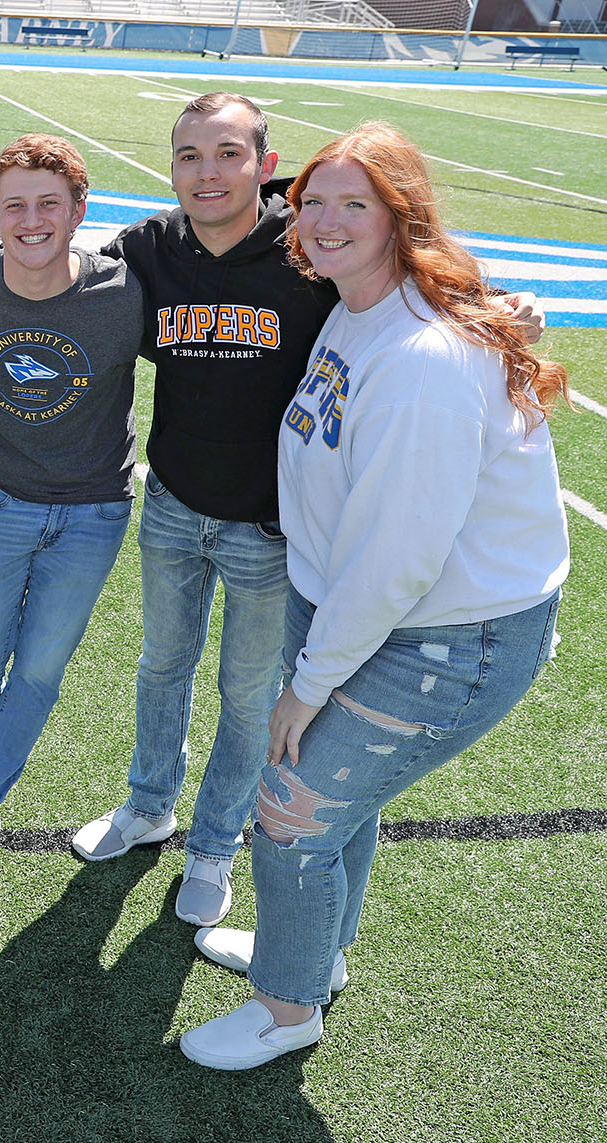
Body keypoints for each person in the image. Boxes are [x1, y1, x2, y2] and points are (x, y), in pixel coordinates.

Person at [179, 122, 568, 1070]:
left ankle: (286, 1008)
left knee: (294, 806)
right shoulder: (362, 304)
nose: (324, 220)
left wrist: (308, 683)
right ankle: (311, 955)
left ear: (402, 218)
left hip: (441, 637)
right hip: (372, 613)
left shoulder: (422, 358)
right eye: (313, 201)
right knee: (337, 804)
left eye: (355, 203)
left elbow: (397, 557)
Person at [61, 94, 339, 925]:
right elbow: (64, 279)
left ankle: (215, 844)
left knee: (249, 695)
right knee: (161, 665)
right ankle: (150, 805)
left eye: (226, 153)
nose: (206, 172)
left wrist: (500, 301)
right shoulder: (148, 246)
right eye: (189, 156)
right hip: (176, 502)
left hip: (269, 523)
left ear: (263, 160)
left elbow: (408, 281)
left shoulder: (307, 248)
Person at [0, 135, 145, 875]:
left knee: (40, 669)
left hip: (94, 512)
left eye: (50, 203)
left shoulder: (125, 291)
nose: (32, 219)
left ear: (81, 210)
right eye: (14, 204)